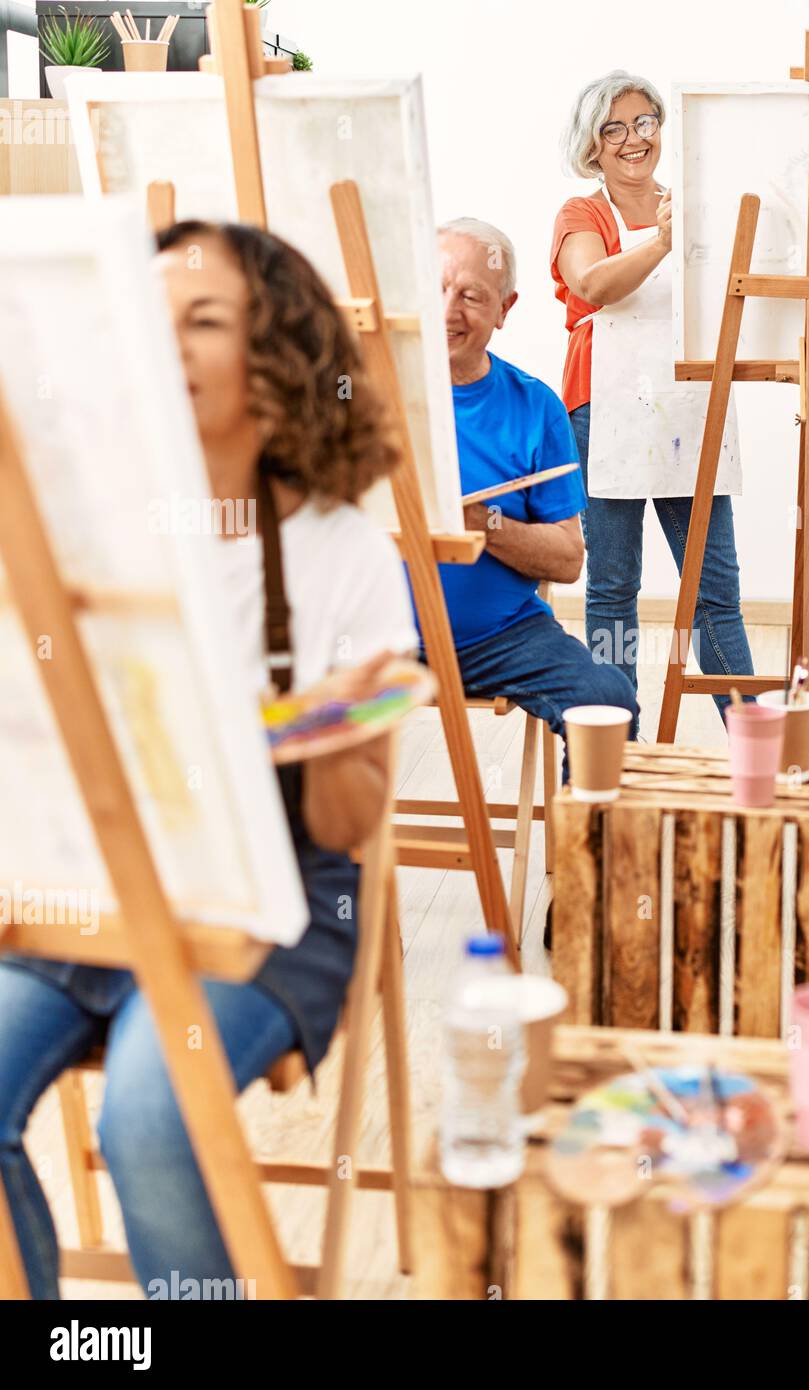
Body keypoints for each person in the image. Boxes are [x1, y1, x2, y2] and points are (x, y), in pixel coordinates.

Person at [0, 221, 419, 1299]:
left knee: (153, 1111)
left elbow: (343, 827)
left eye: (204, 320)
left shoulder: (346, 555)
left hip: (272, 899)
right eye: (149, 321)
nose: (167, 343)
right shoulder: (91, 535)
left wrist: (331, 732)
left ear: (276, 352)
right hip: (98, 885)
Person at [552, 70, 753, 718]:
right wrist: (667, 242)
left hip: (691, 409)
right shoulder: (582, 214)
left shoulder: (696, 202)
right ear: (593, 145)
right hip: (603, 412)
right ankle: (616, 750)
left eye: (645, 123)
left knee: (713, 589)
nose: (634, 138)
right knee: (613, 590)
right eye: (615, 127)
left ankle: (755, 753)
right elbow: (592, 283)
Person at [432, 218, 638, 746]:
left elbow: (568, 560)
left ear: (505, 309)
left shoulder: (535, 407)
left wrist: (481, 522)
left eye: (472, 296)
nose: (448, 311)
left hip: (499, 639)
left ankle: (585, 831)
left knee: (608, 703)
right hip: (375, 638)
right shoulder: (365, 395)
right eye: (435, 290)